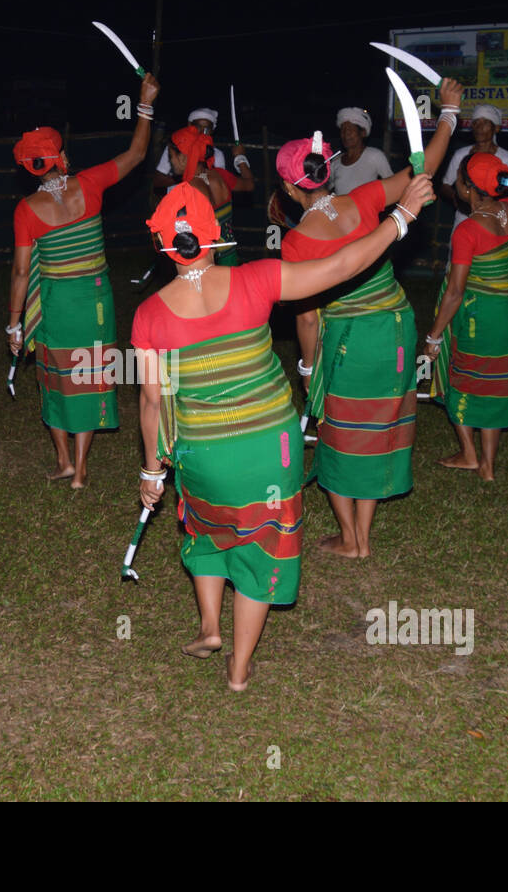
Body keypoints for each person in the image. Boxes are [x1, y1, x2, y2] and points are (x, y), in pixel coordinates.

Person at [133, 175, 436, 690]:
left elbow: (152, 400)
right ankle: (239, 669)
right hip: (270, 449)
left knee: (207, 527)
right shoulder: (257, 278)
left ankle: (210, 627)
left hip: (204, 453)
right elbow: (342, 266)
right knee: (261, 542)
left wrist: (151, 470)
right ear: (215, 234)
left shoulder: (150, 314)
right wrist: (401, 217)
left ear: (164, 244)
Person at [281, 79, 462, 559]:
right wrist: (448, 113)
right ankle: (363, 533)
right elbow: (419, 169)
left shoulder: (297, 243)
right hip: (398, 327)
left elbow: (307, 320)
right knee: (378, 425)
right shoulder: (361, 200)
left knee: (341, 432)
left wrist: (307, 370)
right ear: (326, 172)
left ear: (288, 186)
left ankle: (351, 539)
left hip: (352, 340)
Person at [7, 73, 160, 488]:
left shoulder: (26, 210)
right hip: (95, 298)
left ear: (28, 167)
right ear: (60, 156)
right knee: (90, 374)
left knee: (56, 377)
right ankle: (81, 466)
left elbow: (22, 272)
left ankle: (63, 462)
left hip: (56, 302)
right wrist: (144, 102)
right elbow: (138, 151)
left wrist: (15, 323)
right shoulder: (89, 183)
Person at [424, 132, 508, 481]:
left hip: (485, 319)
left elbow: (455, 292)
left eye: (461, 182)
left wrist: (434, 339)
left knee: (462, 378)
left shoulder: (468, 232)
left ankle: (469, 455)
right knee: (495, 386)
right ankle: (488, 466)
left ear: (467, 188)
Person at [437, 104, 508, 270]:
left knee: (488, 267)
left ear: (496, 128)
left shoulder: (506, 159)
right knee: (455, 267)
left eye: (485, 122)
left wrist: (488, 207)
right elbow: (445, 184)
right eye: (475, 123)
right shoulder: (461, 155)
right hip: (463, 219)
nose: (479, 127)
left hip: (493, 222)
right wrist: (459, 199)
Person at [165, 124, 254, 267]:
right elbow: (249, 184)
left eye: (171, 156)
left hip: (206, 263)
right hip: (230, 257)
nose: (170, 161)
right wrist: (240, 158)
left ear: (183, 157)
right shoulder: (220, 175)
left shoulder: (187, 190)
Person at [151, 107, 229, 189]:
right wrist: (188, 175)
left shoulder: (217, 154)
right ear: (189, 125)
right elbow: (157, 181)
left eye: (207, 129)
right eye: (198, 127)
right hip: (177, 200)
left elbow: (220, 186)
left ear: (212, 130)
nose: (202, 132)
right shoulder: (175, 148)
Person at [328, 107, 393, 195]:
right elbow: (329, 189)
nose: (346, 134)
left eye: (350, 129)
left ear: (363, 133)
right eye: (343, 130)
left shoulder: (374, 156)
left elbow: (392, 185)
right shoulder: (335, 161)